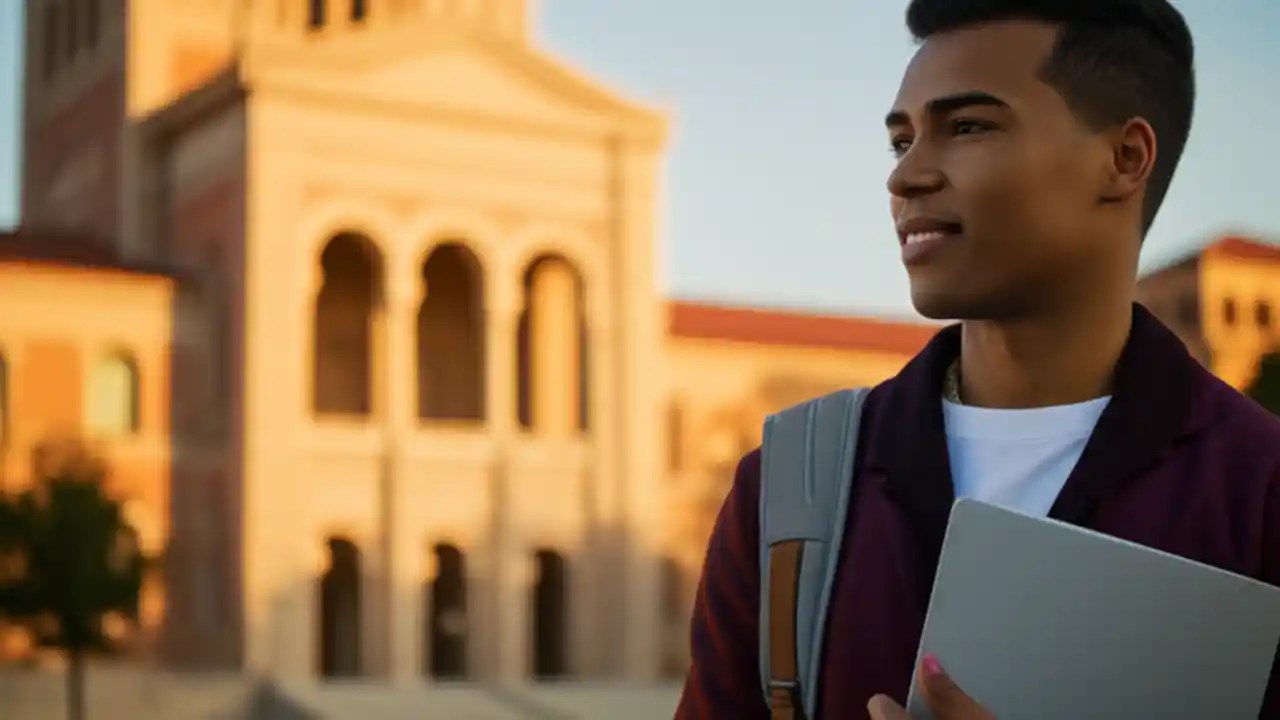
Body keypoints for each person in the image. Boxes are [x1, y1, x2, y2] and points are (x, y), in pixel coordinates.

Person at [675, 0, 1280, 718]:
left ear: (1125, 159)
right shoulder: (787, 490)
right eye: (901, 142)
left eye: (967, 128)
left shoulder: (1260, 489)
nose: (906, 179)